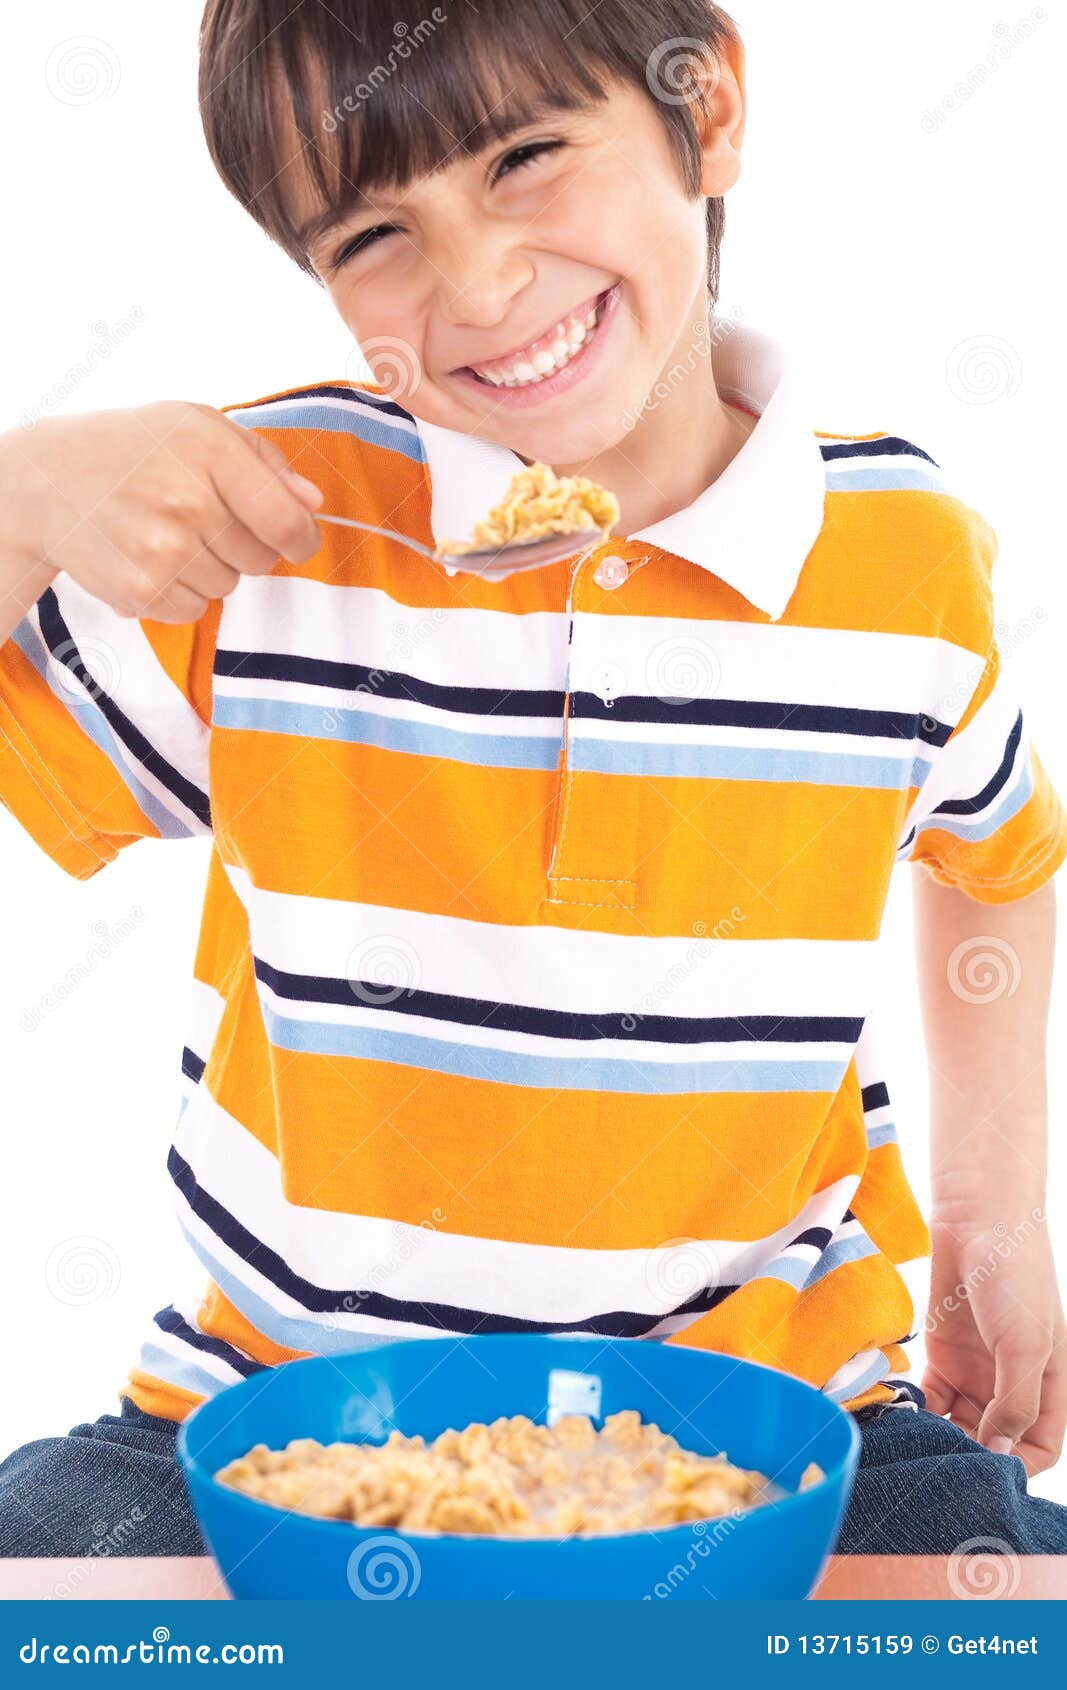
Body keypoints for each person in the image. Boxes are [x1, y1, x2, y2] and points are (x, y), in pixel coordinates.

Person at [1, 0, 1064, 1560]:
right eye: (375, 232)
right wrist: (18, 495)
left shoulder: (899, 559)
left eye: (526, 156)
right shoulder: (269, 529)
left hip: (785, 1420)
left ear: (706, 115)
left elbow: (1002, 849)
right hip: (270, 1425)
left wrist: (990, 1215)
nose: (481, 288)